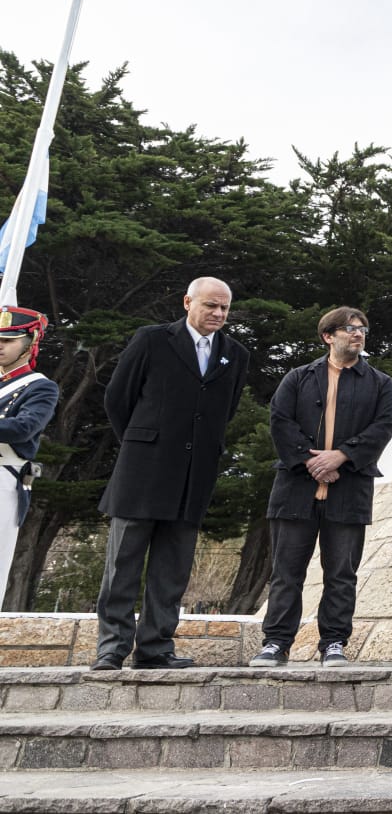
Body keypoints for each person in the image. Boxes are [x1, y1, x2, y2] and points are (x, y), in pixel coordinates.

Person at [93, 277, 249, 670]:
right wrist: (142, 442)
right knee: (123, 564)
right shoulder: (151, 339)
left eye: (224, 308)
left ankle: (155, 647)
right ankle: (111, 648)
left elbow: (225, 411)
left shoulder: (235, 354)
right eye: (210, 305)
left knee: (172, 569)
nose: (218, 314)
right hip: (142, 470)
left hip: (193, 476)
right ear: (187, 302)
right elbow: (118, 398)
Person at [251, 307, 392, 668]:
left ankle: (333, 642)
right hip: (295, 490)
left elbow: (384, 426)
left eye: (362, 329)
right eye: (349, 328)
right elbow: (280, 421)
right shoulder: (298, 378)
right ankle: (276, 643)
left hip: (349, 490)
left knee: (342, 574)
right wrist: (311, 461)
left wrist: (341, 456)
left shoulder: (380, 383)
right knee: (286, 572)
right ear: (328, 336)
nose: (358, 334)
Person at [0, 307, 59, 607]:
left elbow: (24, 428)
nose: (0, 345)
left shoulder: (40, 386)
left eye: (8, 340)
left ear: (30, 342)